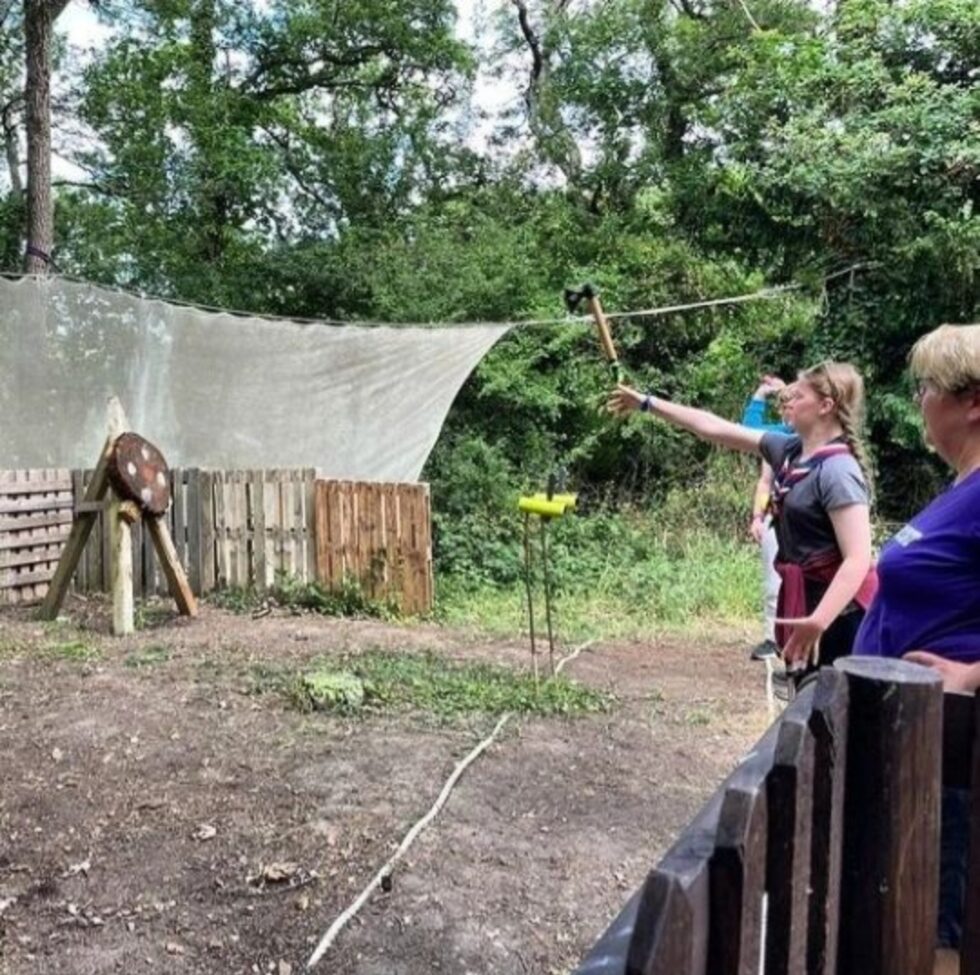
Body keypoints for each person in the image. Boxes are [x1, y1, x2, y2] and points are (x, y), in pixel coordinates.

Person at [607, 361, 877, 681]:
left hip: (844, 618)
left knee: (840, 716)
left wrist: (818, 621)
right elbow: (712, 427)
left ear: (826, 406)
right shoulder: (789, 450)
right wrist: (646, 403)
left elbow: (858, 559)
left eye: (799, 395)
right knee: (810, 710)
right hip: (809, 608)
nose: (789, 401)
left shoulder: (838, 471)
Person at [851, 323, 980, 973]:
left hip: (950, 762)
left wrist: (971, 673)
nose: (919, 401)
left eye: (926, 386)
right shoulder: (961, 489)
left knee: (934, 937)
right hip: (909, 748)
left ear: (972, 401)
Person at [741, 376, 793, 661]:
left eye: (792, 406)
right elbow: (765, 482)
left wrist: (786, 389)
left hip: (806, 520)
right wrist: (757, 517)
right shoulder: (777, 436)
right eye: (783, 407)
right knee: (773, 582)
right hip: (776, 514)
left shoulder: (818, 434)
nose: (787, 413)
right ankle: (773, 639)